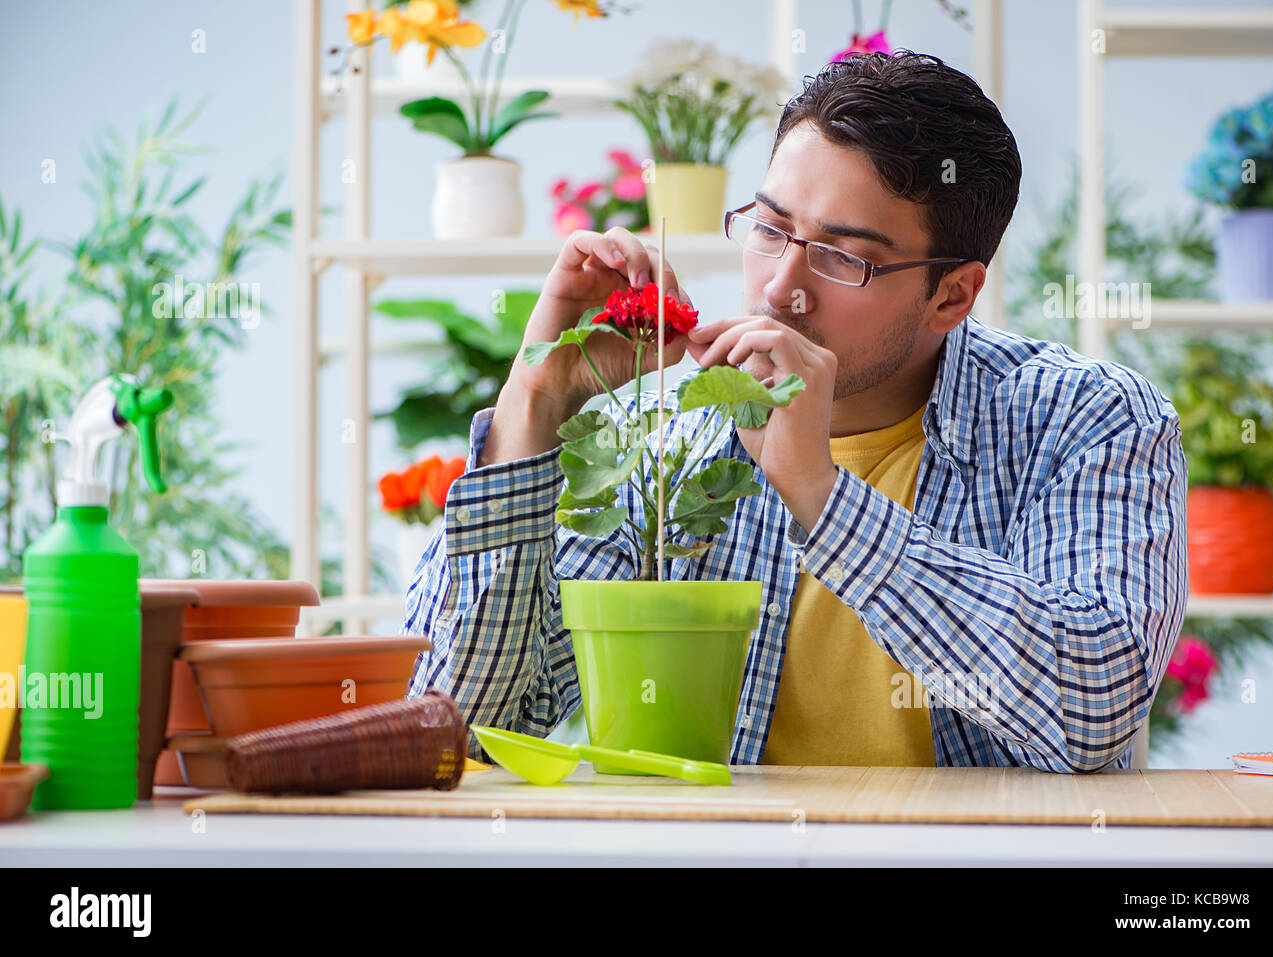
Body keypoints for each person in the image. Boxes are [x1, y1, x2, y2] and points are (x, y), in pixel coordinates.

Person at [403, 50, 1188, 773]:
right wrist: (532, 403)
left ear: (953, 293)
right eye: (770, 229)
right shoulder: (671, 434)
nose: (781, 288)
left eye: (845, 257)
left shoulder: (1090, 419)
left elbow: (1093, 711)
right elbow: (456, 725)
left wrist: (821, 495)